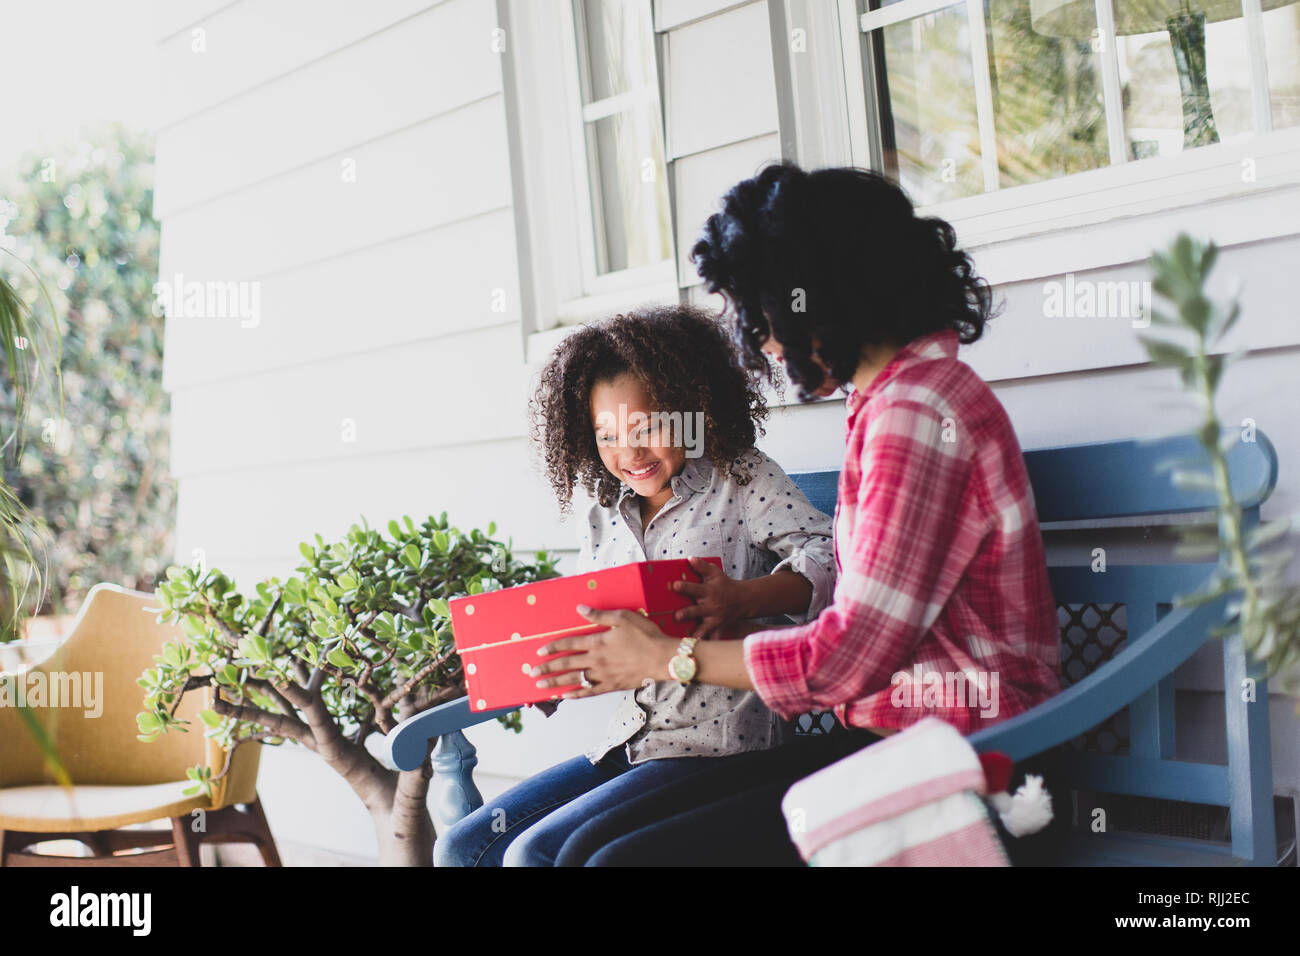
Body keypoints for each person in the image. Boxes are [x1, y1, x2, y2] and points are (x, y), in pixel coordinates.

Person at [530, 163, 1063, 866]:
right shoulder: (891, 400)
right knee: (576, 854)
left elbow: (848, 657)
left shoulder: (916, 413)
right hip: (889, 741)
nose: (763, 343)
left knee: (609, 863)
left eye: (762, 312)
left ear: (828, 294)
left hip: (970, 757)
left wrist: (665, 657)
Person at [433, 304, 835, 867]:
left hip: (723, 745)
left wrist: (744, 597)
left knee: (534, 853)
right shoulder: (602, 513)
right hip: (632, 740)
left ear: (694, 410)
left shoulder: (739, 478)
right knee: (464, 846)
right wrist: (560, 673)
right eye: (607, 436)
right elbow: (597, 628)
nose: (629, 452)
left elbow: (829, 554)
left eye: (647, 427)